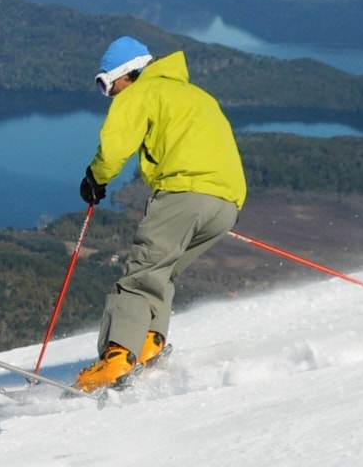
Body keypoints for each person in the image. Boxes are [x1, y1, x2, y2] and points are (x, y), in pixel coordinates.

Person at [73, 36, 247, 393]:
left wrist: (94, 178)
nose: (109, 94)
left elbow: (115, 145)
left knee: (140, 274)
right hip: (227, 203)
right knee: (162, 271)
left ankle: (118, 357)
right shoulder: (197, 95)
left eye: (107, 84)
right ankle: (150, 344)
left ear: (128, 74)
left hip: (184, 193)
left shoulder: (141, 93)